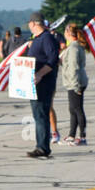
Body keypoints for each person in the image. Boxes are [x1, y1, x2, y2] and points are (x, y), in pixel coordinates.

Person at [24, 12, 60, 158]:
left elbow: (52, 60)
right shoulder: (38, 39)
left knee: (41, 115)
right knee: (38, 115)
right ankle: (40, 145)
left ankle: (43, 148)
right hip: (35, 83)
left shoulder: (46, 38)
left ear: (33, 23)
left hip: (43, 83)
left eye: (29, 23)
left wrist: (40, 74)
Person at [60, 22, 89, 144]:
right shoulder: (73, 46)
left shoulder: (73, 48)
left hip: (75, 82)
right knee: (72, 109)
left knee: (77, 109)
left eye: (65, 31)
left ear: (68, 33)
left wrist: (75, 85)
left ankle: (82, 137)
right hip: (73, 81)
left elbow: (74, 67)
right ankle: (72, 134)